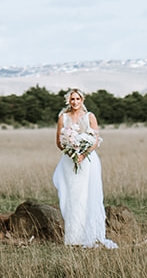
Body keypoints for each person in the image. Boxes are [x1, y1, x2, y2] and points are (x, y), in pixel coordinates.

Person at [53, 88, 116, 248]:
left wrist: (83, 154)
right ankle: (74, 237)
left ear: (82, 100)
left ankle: (91, 234)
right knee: (72, 197)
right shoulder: (63, 117)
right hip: (69, 161)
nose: (75, 102)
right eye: (72, 99)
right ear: (68, 101)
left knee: (87, 195)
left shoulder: (90, 117)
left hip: (88, 161)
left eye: (77, 99)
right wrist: (71, 153)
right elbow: (59, 142)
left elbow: (95, 140)